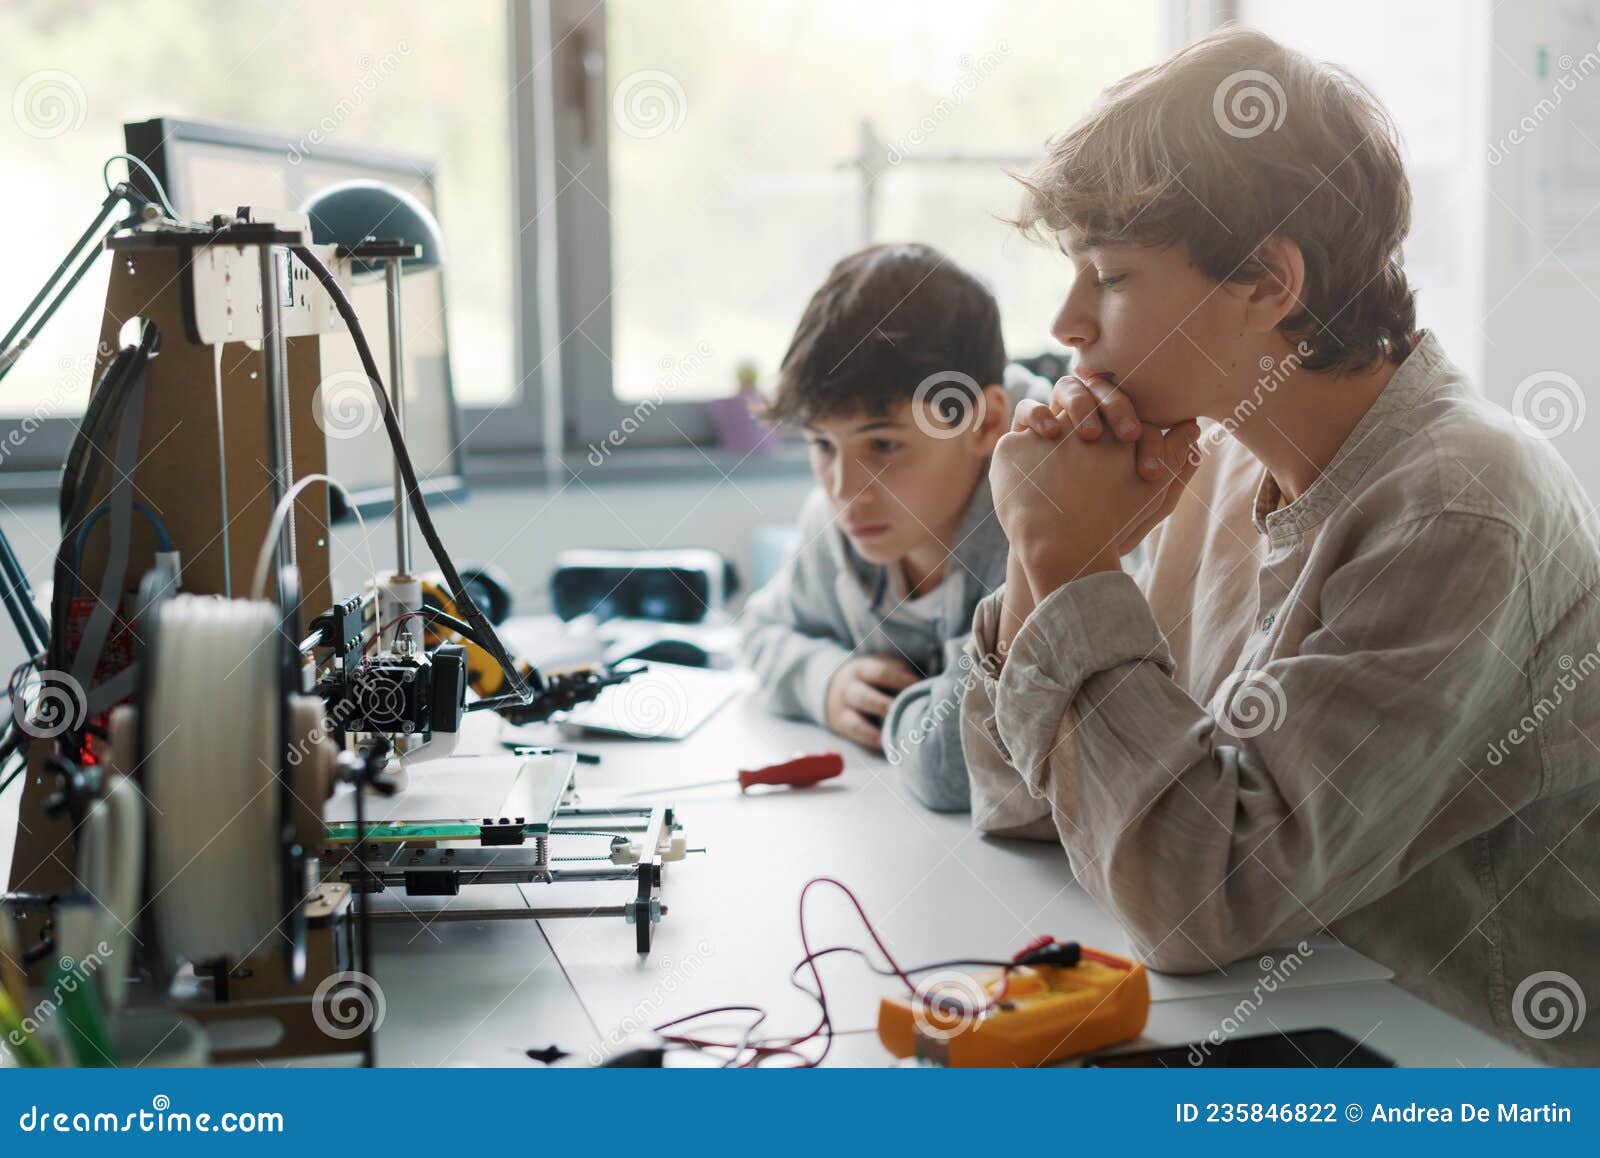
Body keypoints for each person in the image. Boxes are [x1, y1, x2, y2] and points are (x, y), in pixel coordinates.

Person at [960, 27, 1600, 1063]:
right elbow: (1014, 797)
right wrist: (1043, 554)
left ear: (1265, 283)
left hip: (1458, 1069)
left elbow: (1197, 904)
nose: (1066, 321)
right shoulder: (1219, 462)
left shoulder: (1456, 508)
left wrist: (1075, 566)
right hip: (1282, 1023)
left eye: (1109, 277)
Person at [740, 243, 1044, 811]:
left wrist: (901, 719)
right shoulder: (841, 524)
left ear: (987, 423)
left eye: (883, 444)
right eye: (821, 444)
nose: (842, 488)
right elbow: (760, 628)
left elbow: (952, 769)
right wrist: (823, 680)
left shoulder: (1035, 528)